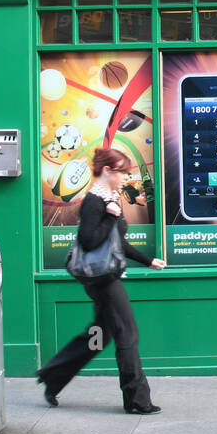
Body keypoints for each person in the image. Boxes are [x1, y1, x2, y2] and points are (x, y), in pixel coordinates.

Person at [36, 147, 166, 414]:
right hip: (102, 279)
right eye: (122, 172)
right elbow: (89, 240)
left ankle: (54, 375)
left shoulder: (110, 198)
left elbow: (118, 243)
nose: (125, 177)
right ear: (107, 171)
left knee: (99, 335)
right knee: (127, 333)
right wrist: (109, 216)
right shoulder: (94, 201)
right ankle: (137, 400)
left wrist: (148, 260)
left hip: (106, 275)